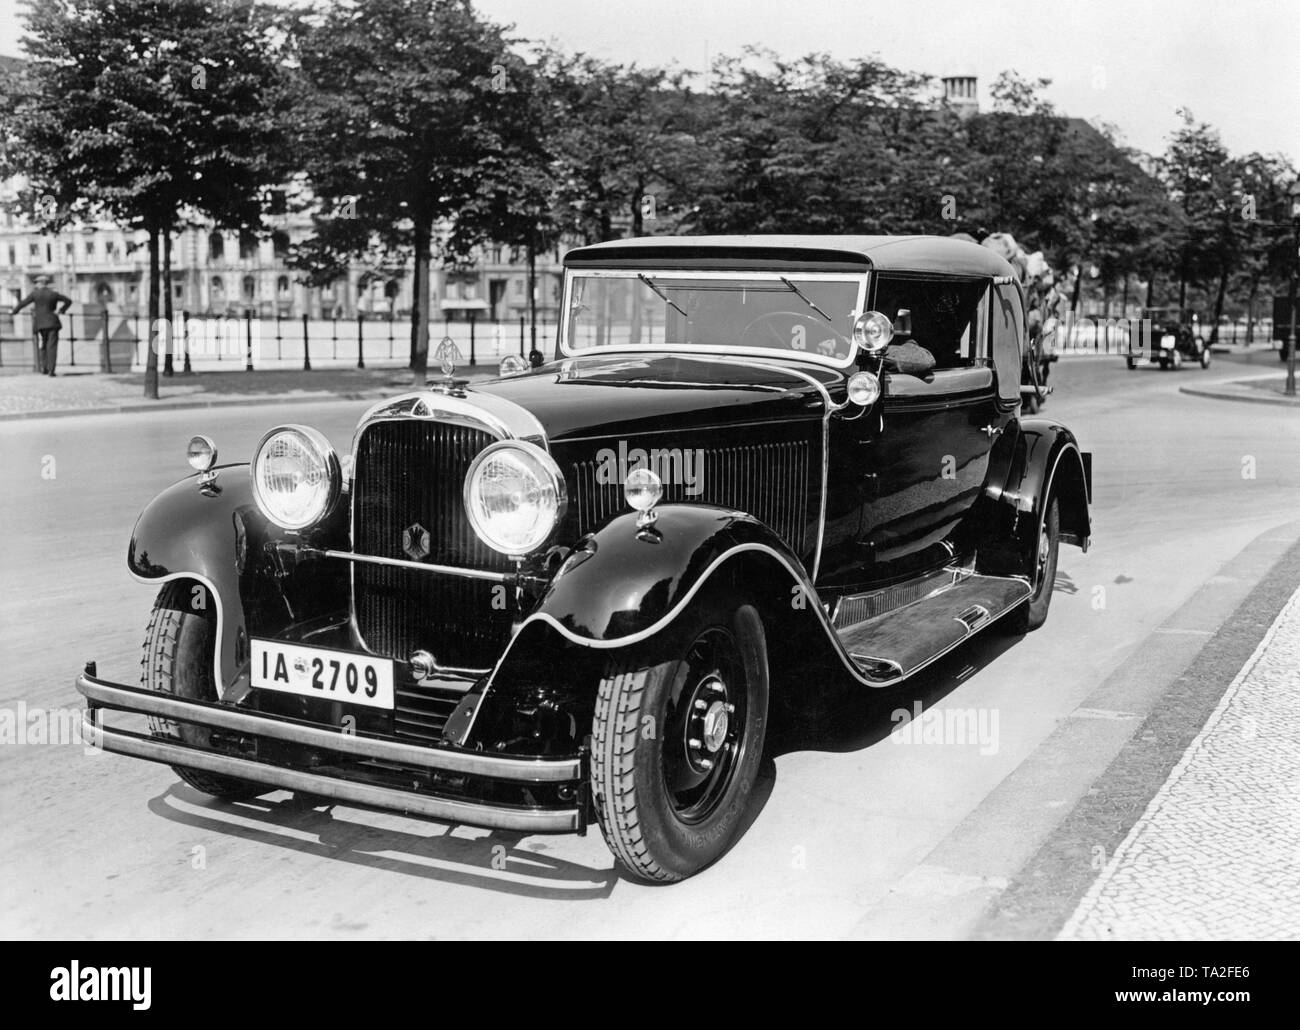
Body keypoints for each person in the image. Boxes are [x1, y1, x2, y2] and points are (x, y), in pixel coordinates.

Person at [13, 275, 72, 376]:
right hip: (53, 322)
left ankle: (44, 367)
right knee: (52, 346)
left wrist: (14, 311)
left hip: (40, 323)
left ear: (40, 283)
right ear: (46, 284)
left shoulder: (35, 294)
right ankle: (51, 370)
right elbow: (68, 301)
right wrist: (61, 310)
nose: (36, 285)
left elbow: (23, 303)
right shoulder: (53, 294)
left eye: (36, 283)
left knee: (44, 344)